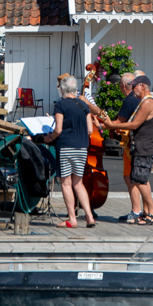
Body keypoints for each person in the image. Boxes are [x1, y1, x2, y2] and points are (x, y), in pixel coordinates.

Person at [97, 76, 153, 226]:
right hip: (140, 145)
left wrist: (111, 126)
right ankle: (148, 212)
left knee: (140, 180)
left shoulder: (148, 102)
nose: (133, 89)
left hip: (143, 146)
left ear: (143, 86)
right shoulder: (144, 102)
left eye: (135, 86)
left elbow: (134, 124)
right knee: (140, 179)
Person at [51, 76, 97, 228]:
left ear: (62, 90)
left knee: (66, 183)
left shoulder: (60, 105)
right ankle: (89, 216)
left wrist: (48, 138)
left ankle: (72, 219)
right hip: (82, 147)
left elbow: (58, 129)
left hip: (65, 146)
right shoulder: (84, 105)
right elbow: (90, 129)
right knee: (79, 183)